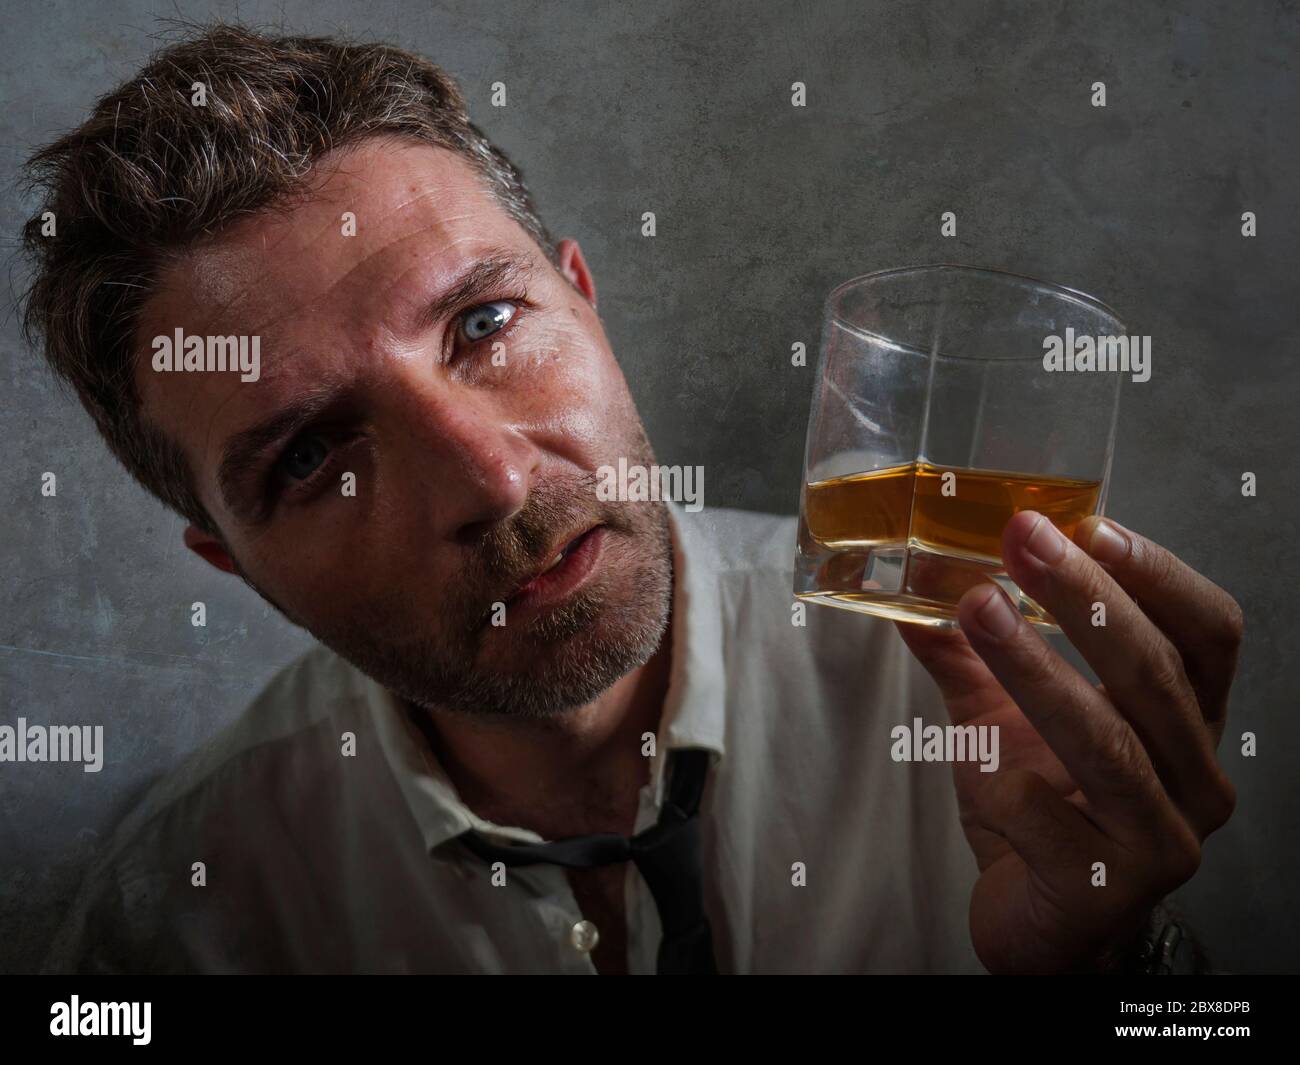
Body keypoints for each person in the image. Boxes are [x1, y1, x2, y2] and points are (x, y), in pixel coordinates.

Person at [24, 24, 1241, 975]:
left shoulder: (984, 710)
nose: (493, 478)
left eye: (485, 325)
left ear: (584, 299)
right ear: (229, 559)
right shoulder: (185, 915)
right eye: (309, 460)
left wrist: (1116, 966)